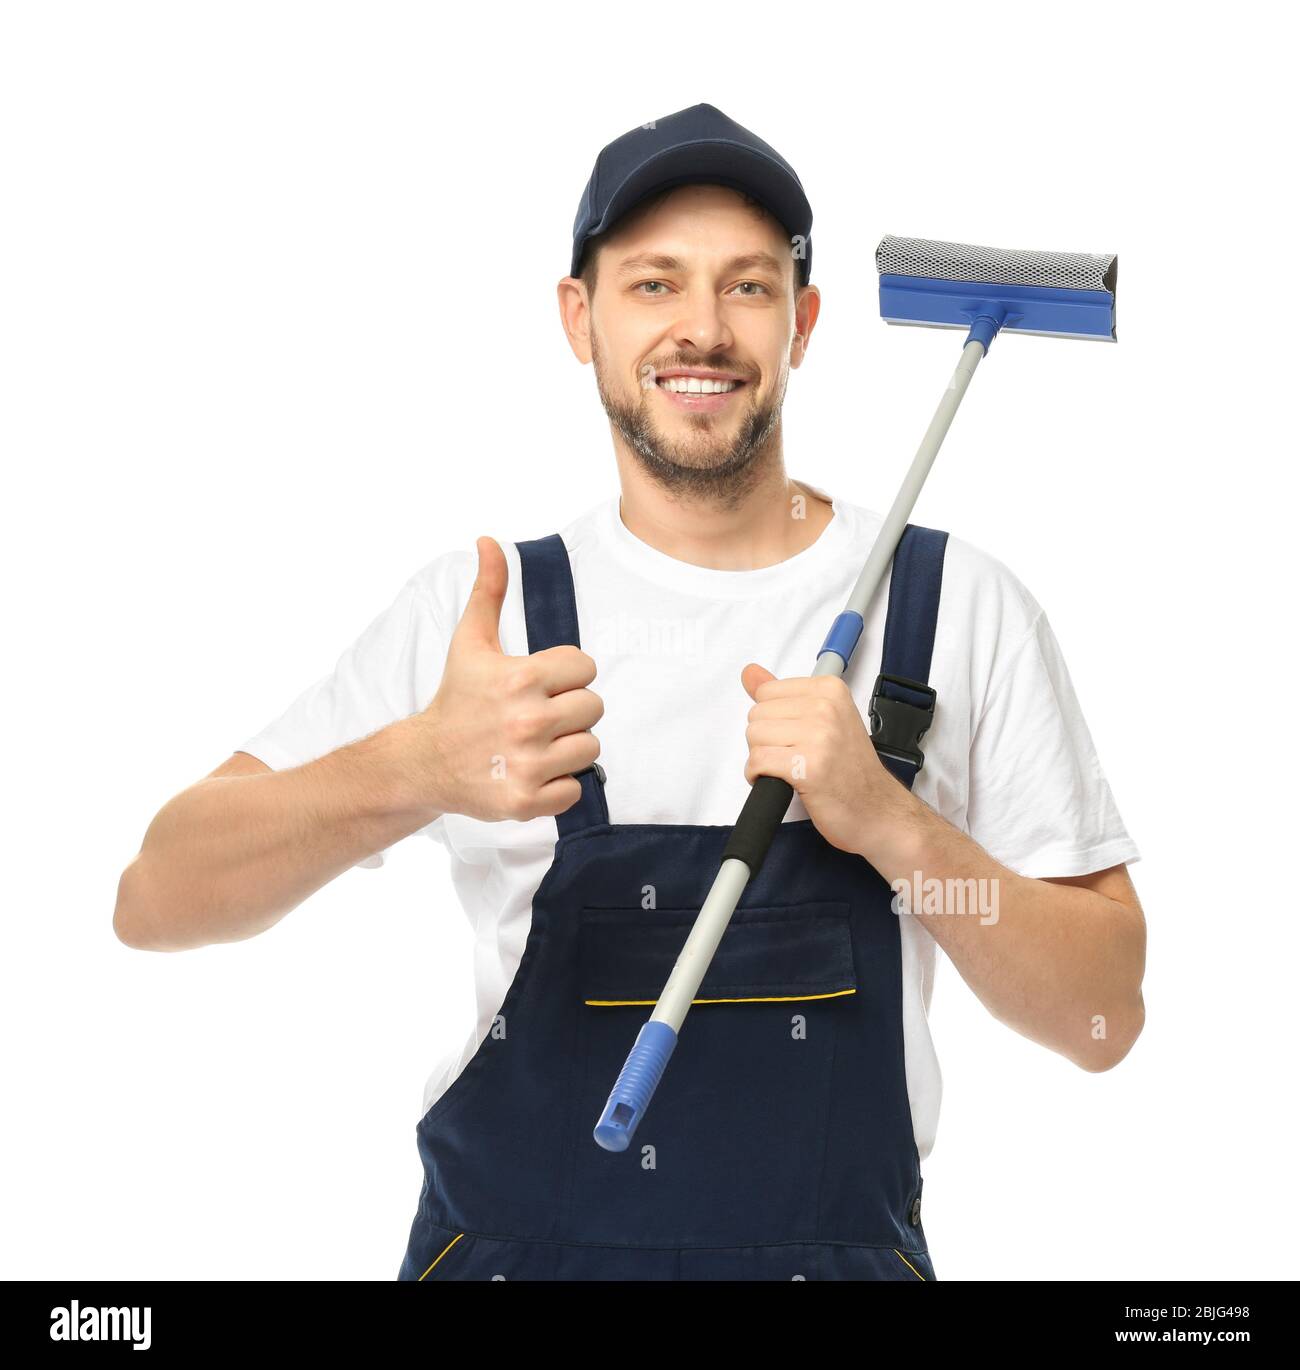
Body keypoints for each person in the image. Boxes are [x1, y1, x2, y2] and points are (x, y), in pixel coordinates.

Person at [114, 103, 1146, 1282]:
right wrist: (412, 767)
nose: (701, 330)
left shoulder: (956, 605)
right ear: (579, 317)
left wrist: (894, 824)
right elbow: (156, 898)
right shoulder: (483, 615)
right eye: (653, 284)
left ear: (803, 322)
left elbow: (1102, 1015)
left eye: (747, 287)